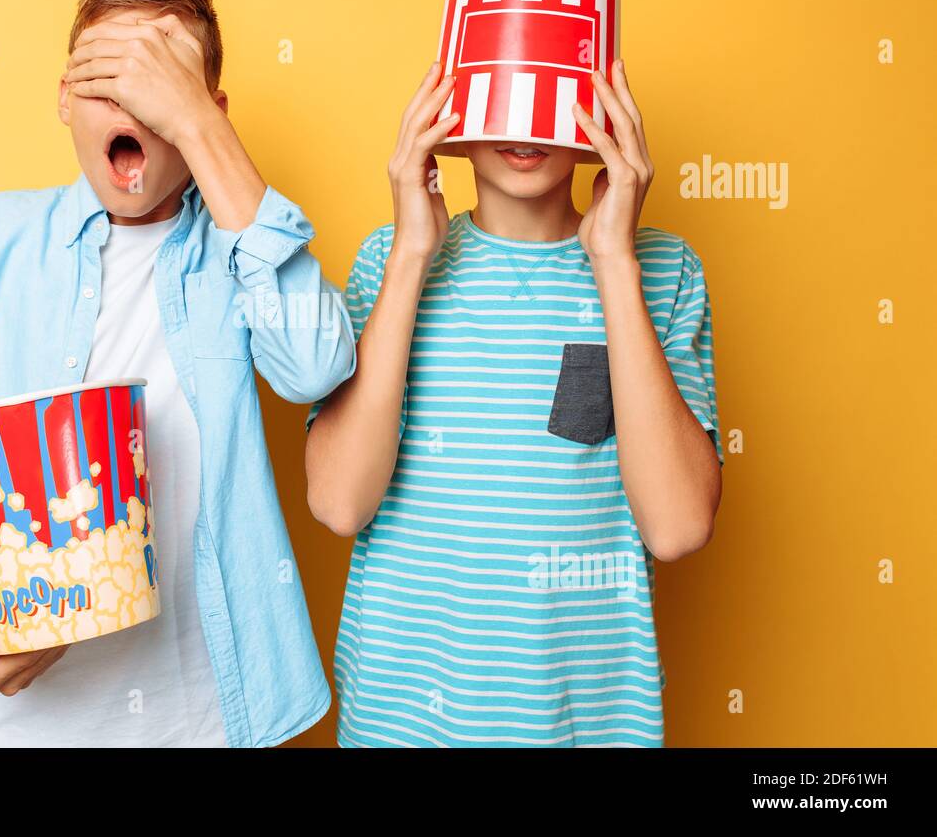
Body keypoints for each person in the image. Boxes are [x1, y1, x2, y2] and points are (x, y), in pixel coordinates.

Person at [0, 0, 354, 747]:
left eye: (159, 87)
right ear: (64, 101)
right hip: (14, 723)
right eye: (106, 84)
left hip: (204, 720)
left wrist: (202, 128)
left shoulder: (239, 249)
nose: (133, 105)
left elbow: (313, 366)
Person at [304, 59, 722, 746]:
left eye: (552, 89)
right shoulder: (389, 260)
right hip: (401, 722)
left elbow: (676, 528)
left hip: (588, 726)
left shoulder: (664, 270)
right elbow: (339, 502)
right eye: (504, 86)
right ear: (453, 106)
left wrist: (614, 262)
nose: (526, 121)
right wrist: (412, 250)